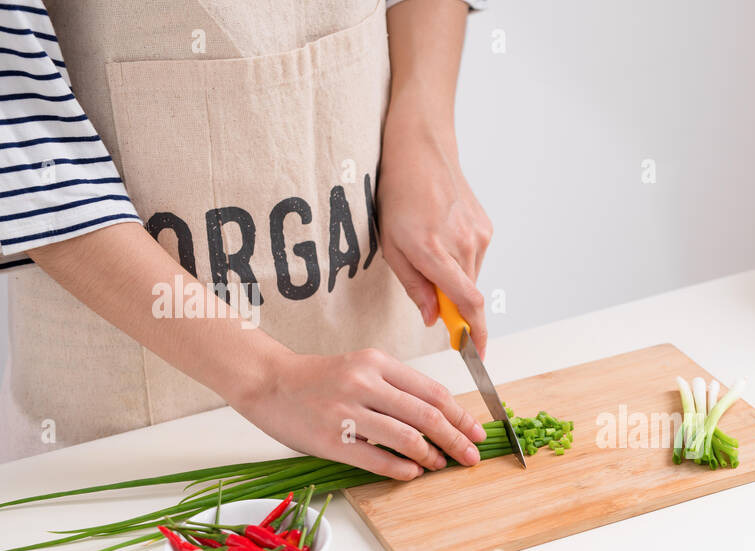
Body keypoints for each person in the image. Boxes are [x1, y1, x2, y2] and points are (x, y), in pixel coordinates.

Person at [0, 0, 492, 479]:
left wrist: (424, 137)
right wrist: (267, 379)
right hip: (146, 435)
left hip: (376, 319)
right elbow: (29, 160)